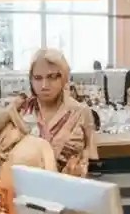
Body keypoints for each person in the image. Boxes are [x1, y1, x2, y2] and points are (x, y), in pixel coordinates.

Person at [17, 48, 95, 177]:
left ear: (64, 78)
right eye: (37, 78)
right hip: (26, 189)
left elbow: (90, 157)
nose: (44, 85)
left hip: (70, 188)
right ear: (30, 80)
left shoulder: (81, 113)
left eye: (52, 77)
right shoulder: (21, 111)